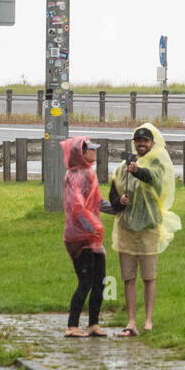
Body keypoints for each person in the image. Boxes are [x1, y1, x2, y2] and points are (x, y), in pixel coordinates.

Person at [107, 122, 181, 337]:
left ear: (152, 143)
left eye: (145, 141)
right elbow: (112, 197)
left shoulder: (158, 164)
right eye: (138, 141)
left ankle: (147, 320)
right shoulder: (122, 168)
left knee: (149, 276)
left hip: (149, 227)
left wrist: (137, 171)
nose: (141, 144)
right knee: (128, 277)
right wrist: (119, 201)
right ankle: (131, 321)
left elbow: (154, 179)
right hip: (126, 229)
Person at [61, 137, 107, 338]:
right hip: (79, 239)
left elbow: (97, 202)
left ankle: (93, 324)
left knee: (100, 281)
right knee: (85, 281)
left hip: (92, 237)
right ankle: (72, 326)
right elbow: (77, 208)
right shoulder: (75, 177)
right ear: (81, 153)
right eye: (90, 149)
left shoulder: (90, 175)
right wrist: (91, 228)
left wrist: (121, 207)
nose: (94, 152)